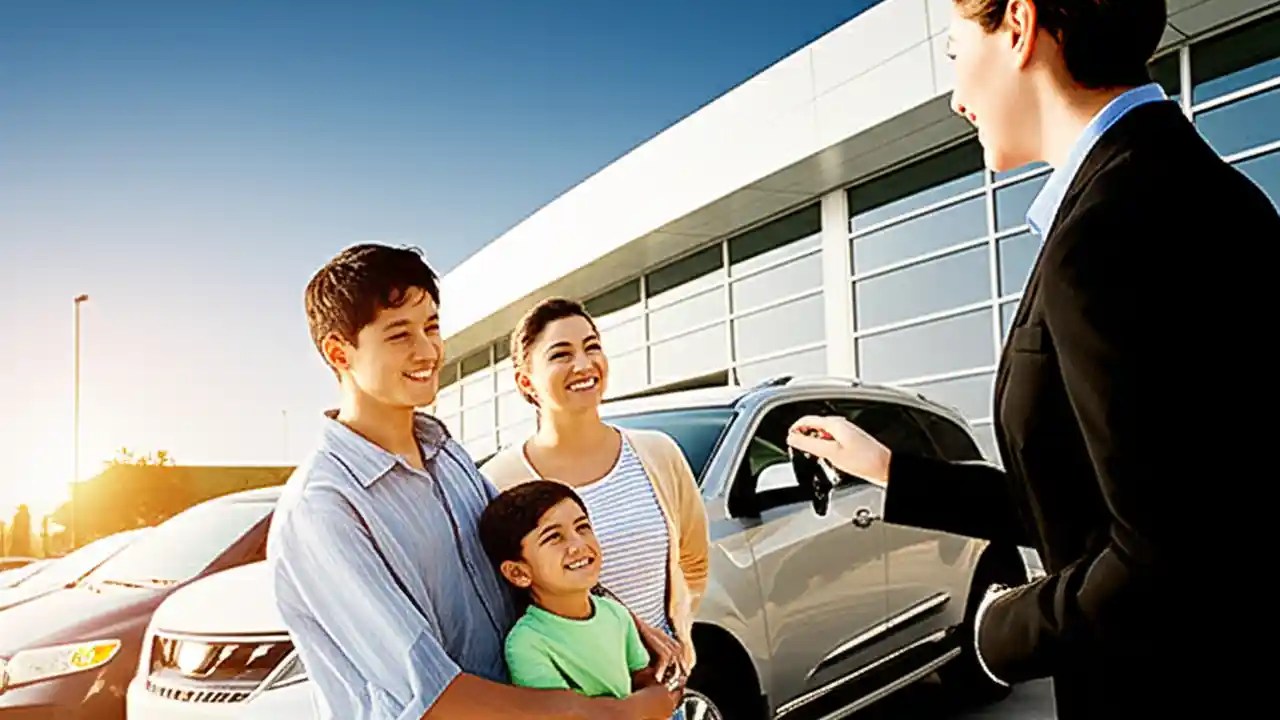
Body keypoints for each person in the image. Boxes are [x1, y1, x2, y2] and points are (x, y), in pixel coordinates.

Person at [785, 1, 1277, 718]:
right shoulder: (1201, 192)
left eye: (955, 54)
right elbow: (1103, 503)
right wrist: (890, 470)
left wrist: (1000, 632)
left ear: (1018, 26)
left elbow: (1169, 557)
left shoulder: (1110, 231)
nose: (956, 99)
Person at [266, 244, 682, 720]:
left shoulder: (447, 456)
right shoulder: (323, 508)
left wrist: (622, 622)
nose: (427, 351)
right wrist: (615, 714)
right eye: (399, 334)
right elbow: (432, 695)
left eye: (431, 327)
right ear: (339, 352)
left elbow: (524, 561)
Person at [482, 297, 709, 686]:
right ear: (526, 382)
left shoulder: (658, 453)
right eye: (561, 354)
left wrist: (675, 640)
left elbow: (694, 561)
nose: (584, 364)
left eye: (592, 347)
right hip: (577, 699)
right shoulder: (499, 482)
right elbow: (507, 602)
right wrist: (626, 628)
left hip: (664, 684)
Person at [478, 480, 683, 700]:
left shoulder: (616, 613)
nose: (578, 545)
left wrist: (663, 689)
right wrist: (646, 706)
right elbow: (564, 712)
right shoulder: (528, 643)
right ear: (518, 573)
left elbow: (639, 675)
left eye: (582, 527)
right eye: (553, 537)